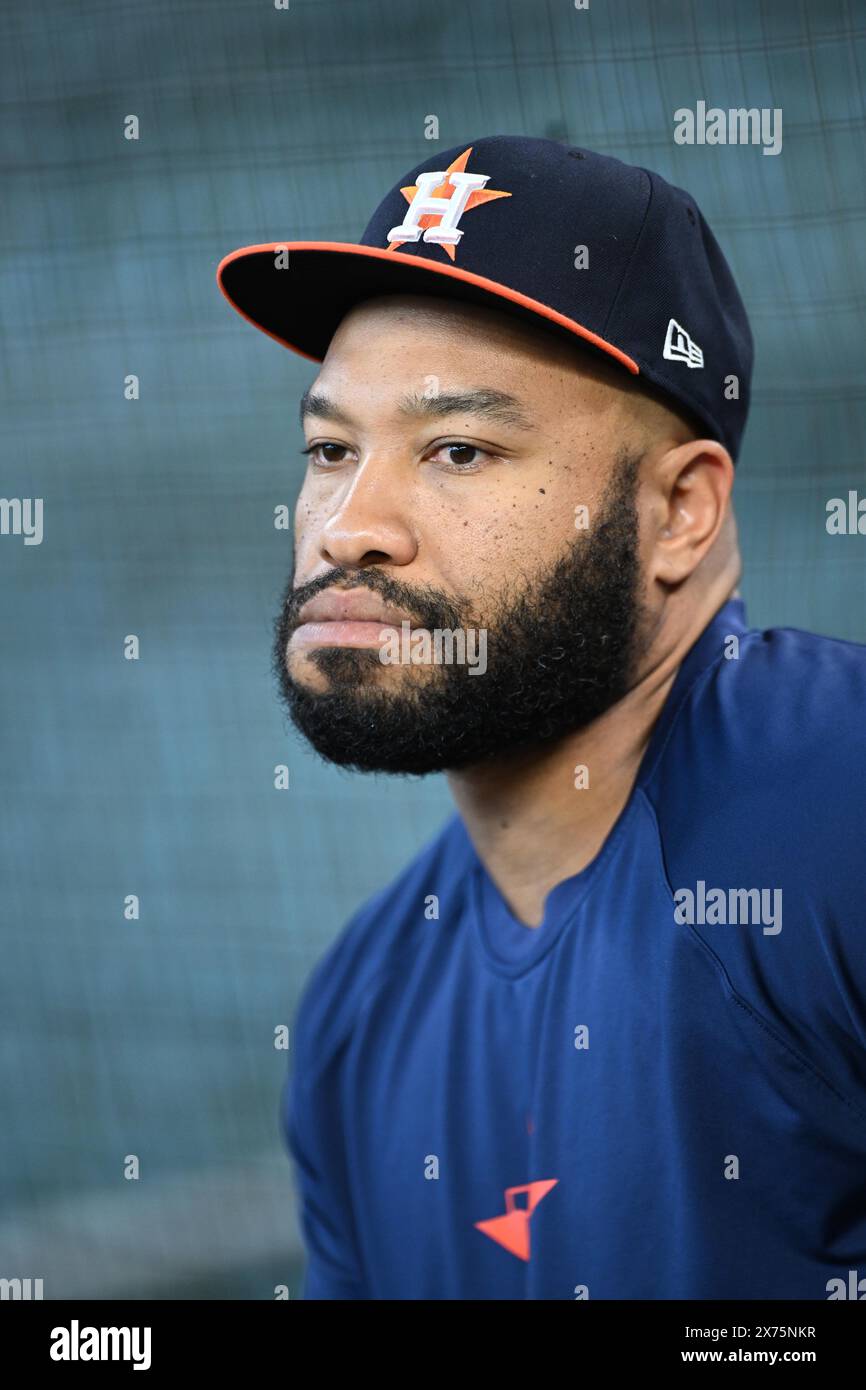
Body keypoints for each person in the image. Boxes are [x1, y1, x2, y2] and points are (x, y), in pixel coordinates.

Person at [218, 136, 866, 1299]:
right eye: (329, 447)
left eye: (458, 448)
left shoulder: (838, 808)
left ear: (678, 511)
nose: (348, 526)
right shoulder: (356, 1022)